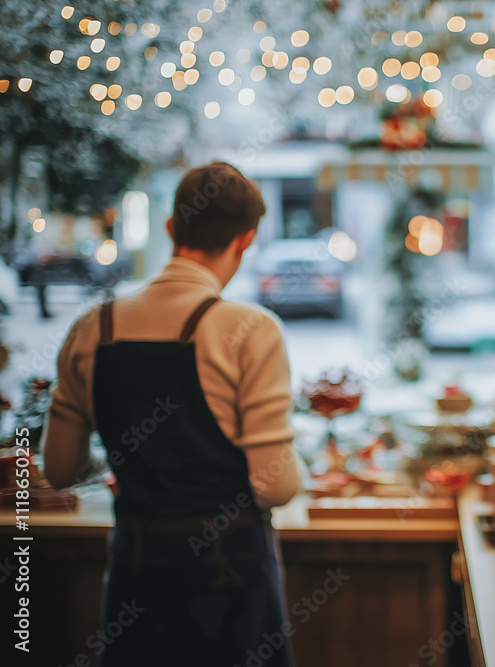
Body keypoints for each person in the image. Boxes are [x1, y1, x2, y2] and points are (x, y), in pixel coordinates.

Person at [42, 162, 302, 667]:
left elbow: (60, 468)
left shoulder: (94, 327)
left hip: (138, 574)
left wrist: (119, 463)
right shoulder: (251, 330)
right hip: (230, 577)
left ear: (170, 228)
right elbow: (275, 486)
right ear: (246, 240)